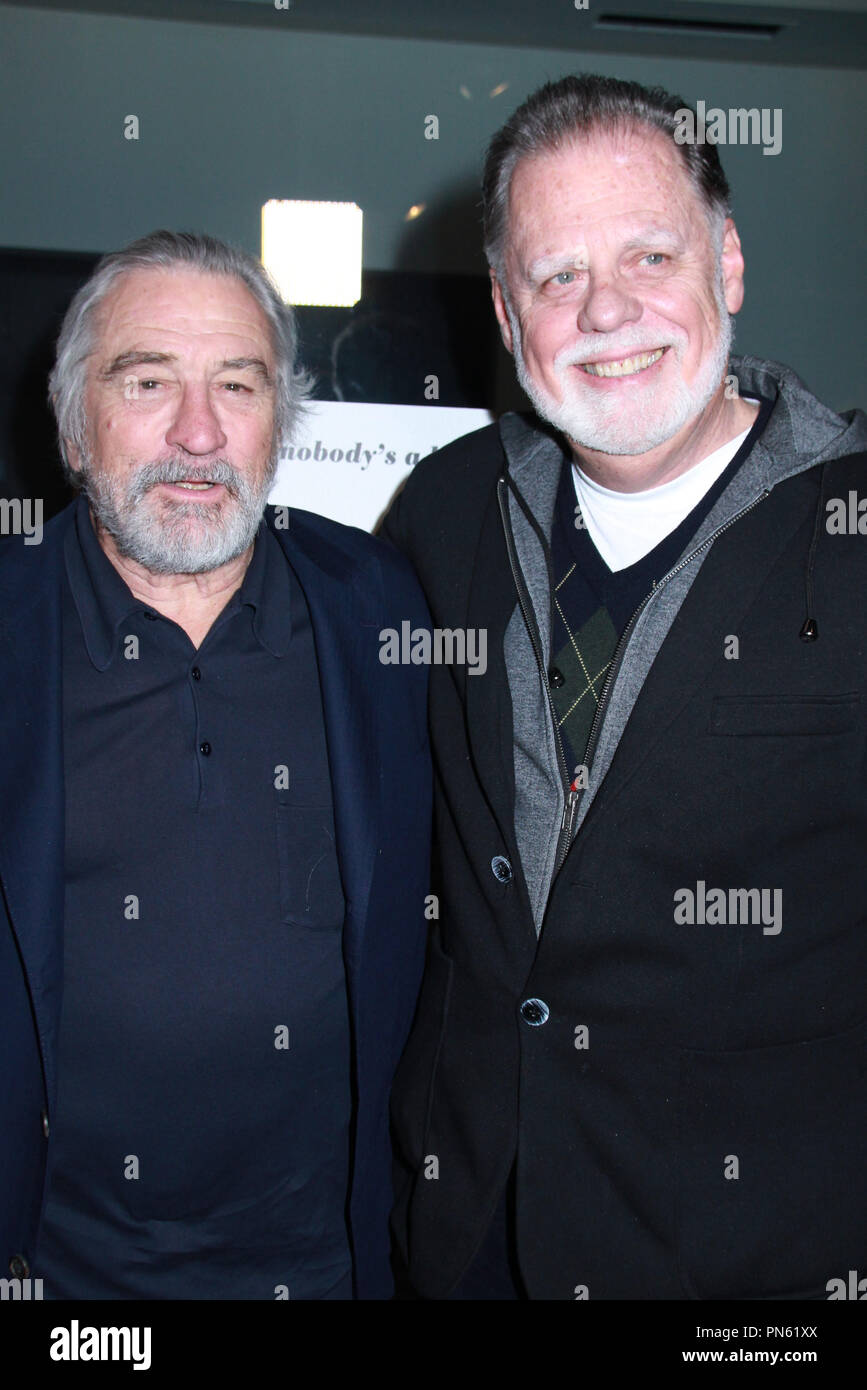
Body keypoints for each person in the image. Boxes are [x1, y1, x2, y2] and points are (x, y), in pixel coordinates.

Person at [380, 73, 867, 1300]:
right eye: (556, 276)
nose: (607, 310)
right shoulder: (442, 515)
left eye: (651, 254)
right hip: (476, 1238)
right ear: (504, 309)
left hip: (755, 1267)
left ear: (730, 264)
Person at [0, 230, 431, 1300]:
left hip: (331, 1267)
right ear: (72, 420)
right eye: (147, 380)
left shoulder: (383, 608)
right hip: (63, 1280)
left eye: (236, 385)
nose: (197, 433)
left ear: (278, 418)